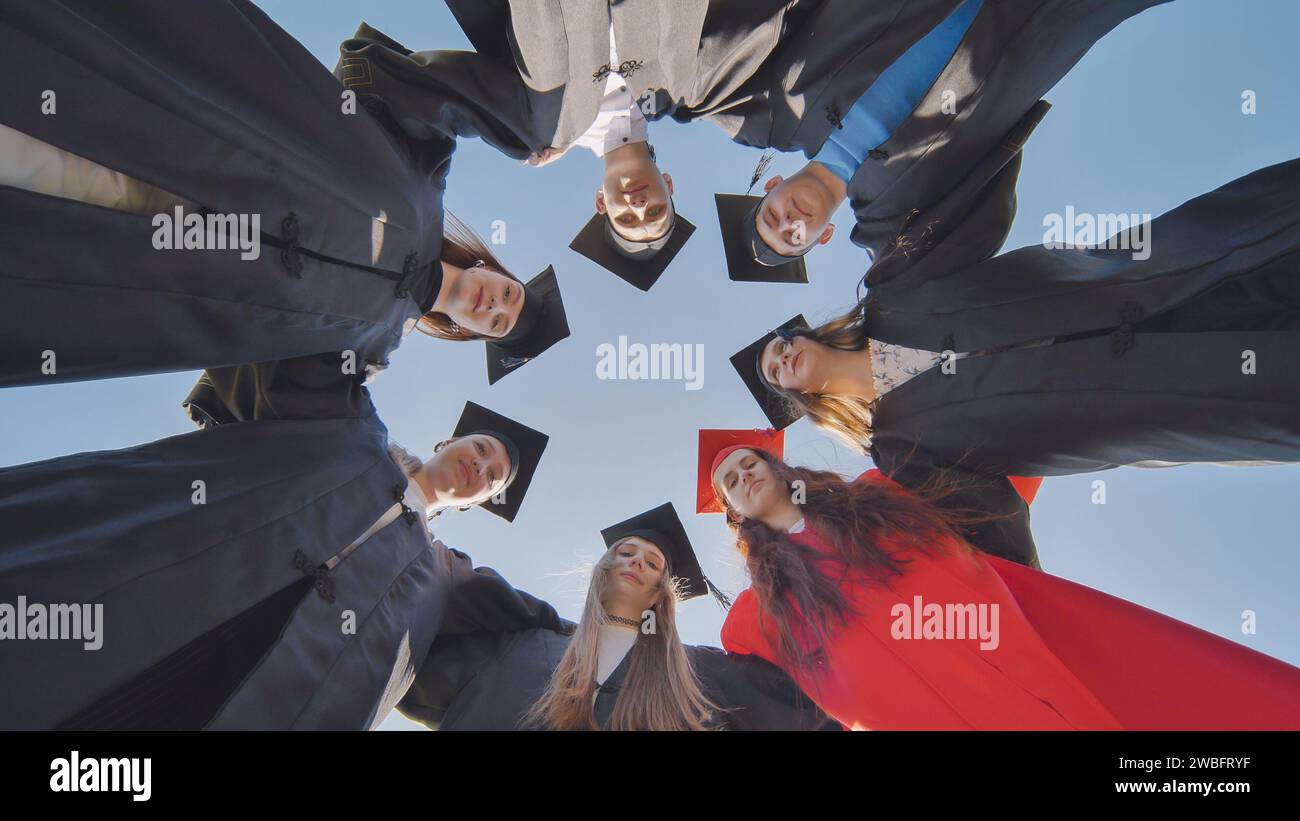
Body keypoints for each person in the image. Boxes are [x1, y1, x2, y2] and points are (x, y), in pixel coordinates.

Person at [0, 0, 567, 388]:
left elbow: (273, 400)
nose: (493, 307)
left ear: (468, 331)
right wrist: (519, 129)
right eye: (508, 296)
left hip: (133, 253)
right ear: (495, 270)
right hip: (174, 136)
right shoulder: (423, 180)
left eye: (493, 324)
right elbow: (379, 77)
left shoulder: (370, 351)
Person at [0, 353, 550, 729]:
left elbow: (542, 630)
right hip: (164, 596)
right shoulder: (352, 436)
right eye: (479, 448)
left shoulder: (446, 577)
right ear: (450, 439)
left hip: (255, 690)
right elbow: (297, 357)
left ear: (479, 503)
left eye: (492, 477)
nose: (479, 466)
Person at [731, 156, 1300, 478]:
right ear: (799, 399)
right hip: (1156, 399)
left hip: (1148, 281)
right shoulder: (899, 447)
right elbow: (986, 534)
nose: (783, 359)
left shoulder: (894, 291)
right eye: (777, 373)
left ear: (800, 334)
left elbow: (956, 190)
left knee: (1272, 242)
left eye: (779, 347)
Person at [701, 436, 1300, 730]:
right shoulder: (758, 616)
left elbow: (993, 481)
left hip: (1029, 659)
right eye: (730, 478)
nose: (743, 473)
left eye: (749, 460)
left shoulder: (881, 496)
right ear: (733, 511)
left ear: (778, 465)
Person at [710, 0, 1168, 267]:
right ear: (822, 238)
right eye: (794, 238)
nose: (791, 221)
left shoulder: (783, 108)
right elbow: (940, 264)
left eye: (771, 217)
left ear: (769, 187)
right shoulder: (893, 211)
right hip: (1032, 20)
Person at [397, 503, 830, 730]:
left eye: (653, 562)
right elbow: (402, 654)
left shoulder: (699, 669)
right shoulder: (526, 643)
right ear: (602, 568)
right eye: (625, 552)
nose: (637, 561)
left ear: (664, 589)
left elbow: (800, 715)